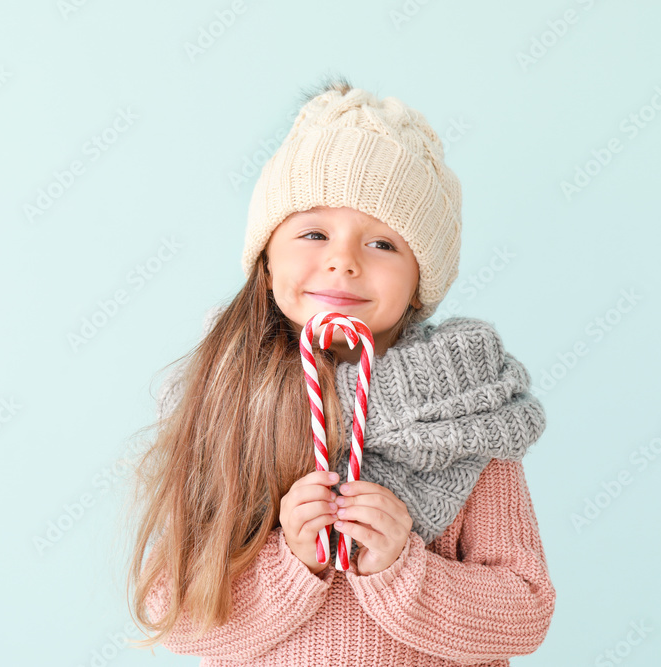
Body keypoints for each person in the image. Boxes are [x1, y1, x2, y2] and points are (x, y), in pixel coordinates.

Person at [125, 76, 556, 666]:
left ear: (419, 281)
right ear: (267, 260)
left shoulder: (466, 412)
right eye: (313, 232)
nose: (343, 261)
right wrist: (293, 563)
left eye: (383, 244)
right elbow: (176, 617)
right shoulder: (221, 401)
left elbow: (524, 612)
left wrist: (402, 570)